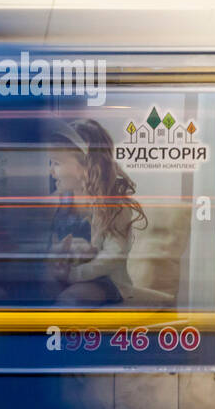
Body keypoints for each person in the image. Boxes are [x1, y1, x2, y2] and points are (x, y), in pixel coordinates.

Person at [47, 119, 148, 306]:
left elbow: (114, 254)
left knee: (70, 300)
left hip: (103, 280)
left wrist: (77, 275)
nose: (51, 171)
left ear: (84, 166)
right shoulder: (58, 202)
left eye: (57, 163)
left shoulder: (113, 205)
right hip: (66, 275)